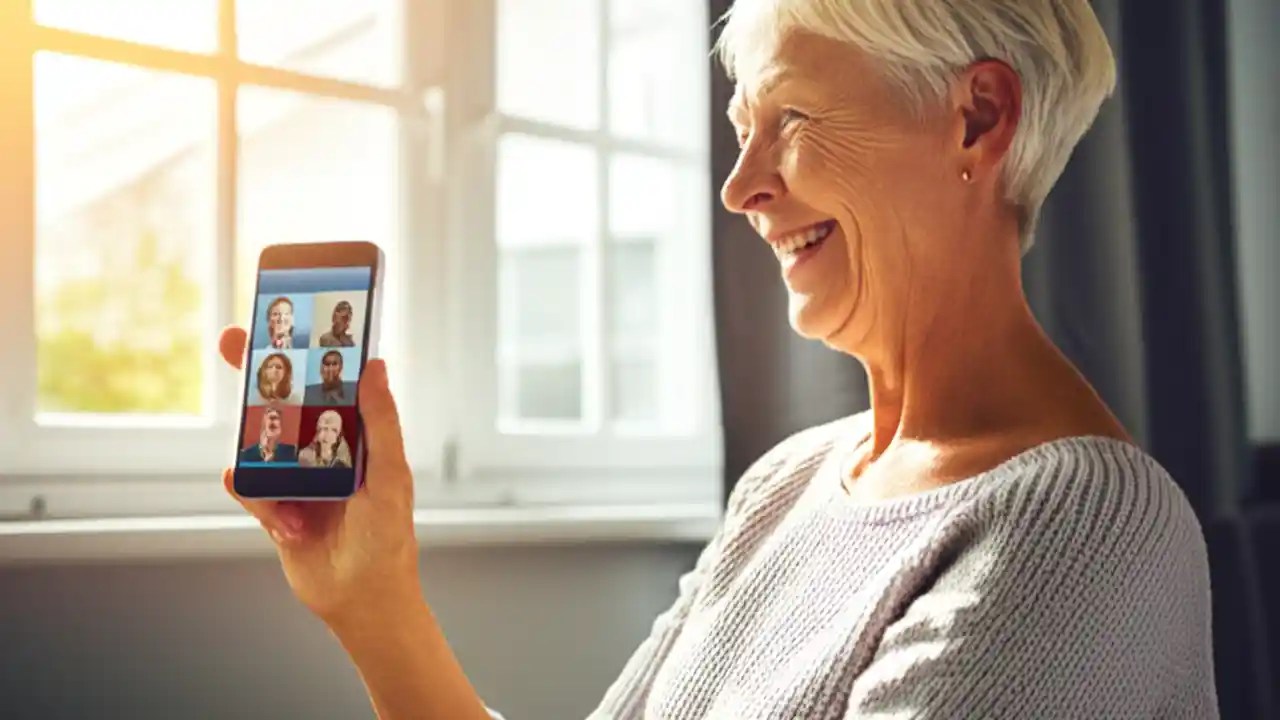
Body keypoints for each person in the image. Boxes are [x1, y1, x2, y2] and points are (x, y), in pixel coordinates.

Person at [215, 1, 1218, 718]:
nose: (738, 189)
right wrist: (373, 605)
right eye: (742, 134)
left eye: (790, 121)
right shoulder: (787, 484)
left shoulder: (1087, 523)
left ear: (976, 117)